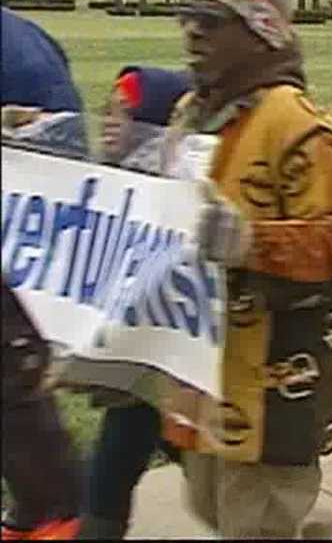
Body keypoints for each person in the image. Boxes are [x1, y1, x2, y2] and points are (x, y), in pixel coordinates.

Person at [169, 0, 332, 538]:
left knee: (251, 525)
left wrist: (250, 242)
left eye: (211, 20)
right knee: (208, 507)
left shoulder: (299, 126)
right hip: (204, 372)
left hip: (273, 380)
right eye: (188, 17)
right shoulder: (193, 113)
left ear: (260, 30)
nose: (192, 32)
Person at [75, 66, 192, 540]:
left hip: (176, 377)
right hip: (139, 376)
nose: (108, 121)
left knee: (235, 497)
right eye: (108, 109)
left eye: (125, 113)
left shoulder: (175, 195)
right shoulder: (114, 186)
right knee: (107, 481)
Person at [1, 7, 86, 541]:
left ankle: (60, 510)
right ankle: (38, 504)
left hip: (22, 233)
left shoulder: (19, 50)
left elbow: (56, 144)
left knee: (14, 376)